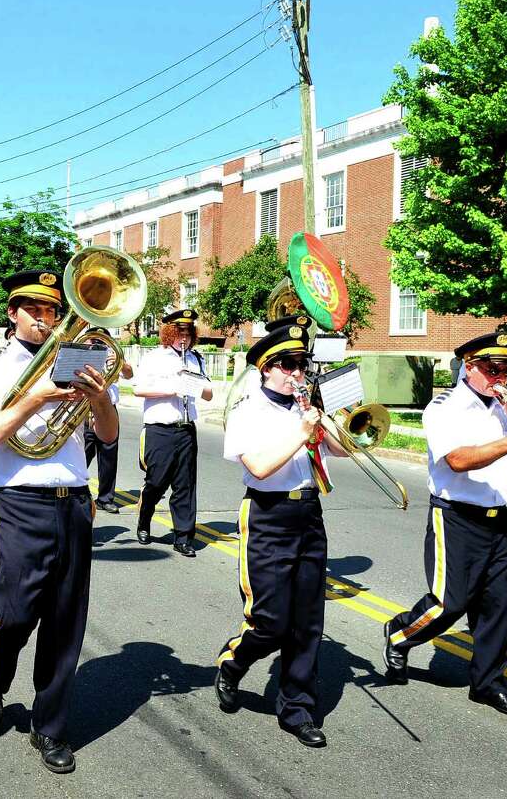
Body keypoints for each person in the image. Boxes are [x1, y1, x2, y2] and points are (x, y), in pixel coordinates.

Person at [0, 269, 117, 774]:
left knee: (65, 618)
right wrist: (36, 397)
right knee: (15, 613)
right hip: (19, 502)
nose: (45, 318)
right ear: (13, 313)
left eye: (52, 310)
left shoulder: (77, 359)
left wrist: (98, 398)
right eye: (34, 309)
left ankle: (49, 726)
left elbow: (110, 436)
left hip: (73, 498)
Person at [382, 332, 507, 719]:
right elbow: (456, 460)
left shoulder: (506, 406)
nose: (501, 375)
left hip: (497, 519)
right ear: (469, 367)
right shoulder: (445, 407)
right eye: (493, 368)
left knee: (495, 608)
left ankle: (489, 685)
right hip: (455, 517)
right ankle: (400, 634)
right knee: (448, 604)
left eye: (506, 368)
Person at [213, 315, 347, 747]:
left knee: (307, 621)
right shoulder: (246, 411)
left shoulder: (307, 409)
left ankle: (297, 709)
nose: (296, 373)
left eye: (301, 365)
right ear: (265, 368)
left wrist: (330, 422)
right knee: (270, 621)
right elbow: (259, 467)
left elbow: (345, 451)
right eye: (287, 365)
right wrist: (301, 431)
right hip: (267, 515)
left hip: (308, 513)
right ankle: (233, 663)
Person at [131, 309, 214, 557]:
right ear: (169, 332)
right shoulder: (154, 357)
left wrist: (198, 385)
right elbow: (138, 389)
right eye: (179, 332)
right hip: (160, 429)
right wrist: (172, 387)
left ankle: (183, 537)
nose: (184, 338)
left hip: (186, 428)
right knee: (156, 482)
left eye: (188, 333)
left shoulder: (195, 359)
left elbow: (209, 394)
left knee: (185, 485)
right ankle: (144, 518)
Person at [84, 361, 132, 514]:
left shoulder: (112, 352)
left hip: (109, 408)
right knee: (82, 454)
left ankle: (105, 499)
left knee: (109, 456)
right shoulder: (82, 346)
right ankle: (75, 492)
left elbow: (129, 374)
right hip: (86, 408)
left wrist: (121, 363)